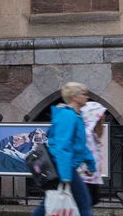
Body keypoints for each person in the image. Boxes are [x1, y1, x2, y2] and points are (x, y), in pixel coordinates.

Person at [30, 81, 96, 216]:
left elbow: (80, 146)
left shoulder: (76, 116)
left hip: (65, 166)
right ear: (74, 97)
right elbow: (62, 146)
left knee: (49, 203)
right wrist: (65, 175)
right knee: (83, 203)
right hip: (63, 167)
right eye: (83, 94)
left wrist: (90, 164)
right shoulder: (67, 116)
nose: (87, 97)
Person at [79, 97, 109, 204]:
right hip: (86, 177)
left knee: (91, 202)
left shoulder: (91, 134)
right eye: (101, 116)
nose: (103, 118)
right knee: (87, 204)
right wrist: (89, 168)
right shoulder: (87, 134)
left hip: (91, 177)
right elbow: (83, 152)